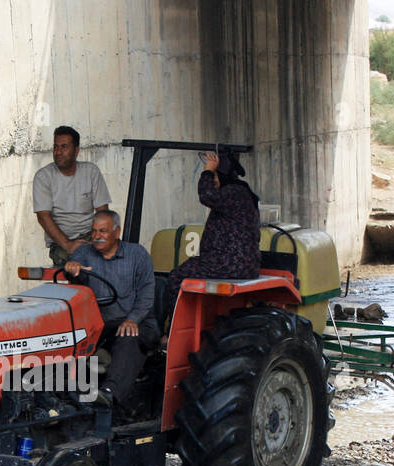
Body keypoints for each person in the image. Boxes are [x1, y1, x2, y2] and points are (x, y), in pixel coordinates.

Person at [63, 210, 158, 413]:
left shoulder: (137, 255)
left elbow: (146, 293)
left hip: (138, 321)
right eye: (94, 231)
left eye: (103, 231)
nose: (97, 236)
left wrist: (133, 318)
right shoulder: (84, 254)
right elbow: (76, 282)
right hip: (101, 326)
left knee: (129, 334)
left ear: (117, 232)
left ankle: (109, 393)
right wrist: (72, 269)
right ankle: (60, 393)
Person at [164, 150, 263, 316]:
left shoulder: (234, 192)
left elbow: (207, 195)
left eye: (214, 176)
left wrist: (208, 171)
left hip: (228, 263)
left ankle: (173, 332)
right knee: (187, 269)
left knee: (177, 277)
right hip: (230, 262)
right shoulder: (236, 193)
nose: (211, 181)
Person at [33, 125, 112, 267]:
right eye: (55, 147)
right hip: (61, 242)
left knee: (121, 258)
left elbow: (103, 212)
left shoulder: (91, 171)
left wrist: (98, 240)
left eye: (64, 147)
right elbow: (43, 217)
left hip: (91, 235)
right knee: (76, 266)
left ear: (76, 151)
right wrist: (68, 244)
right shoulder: (43, 177)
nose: (58, 152)